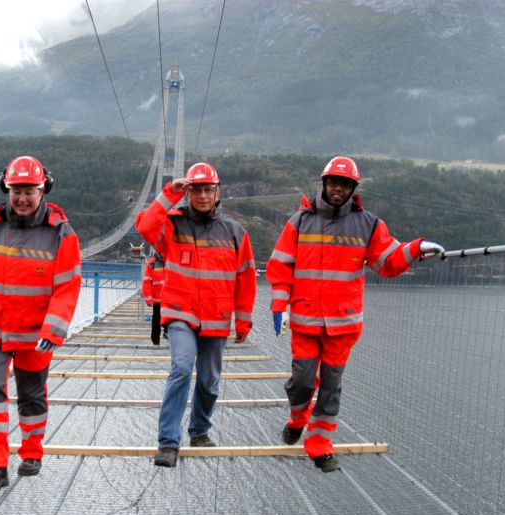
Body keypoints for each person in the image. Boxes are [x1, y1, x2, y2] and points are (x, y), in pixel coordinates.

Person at [266, 156, 444, 473]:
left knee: (331, 387)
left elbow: (388, 261)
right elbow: (281, 265)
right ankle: (297, 418)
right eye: (334, 182)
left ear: (353, 188)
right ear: (324, 183)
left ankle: (319, 446)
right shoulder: (300, 221)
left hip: (343, 324)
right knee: (303, 382)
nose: (338, 188)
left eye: (345, 184)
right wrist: (279, 304)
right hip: (306, 320)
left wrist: (416, 248)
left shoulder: (368, 225)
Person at [0, 155, 82, 491]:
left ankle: (32, 453)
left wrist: (53, 329)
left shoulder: (61, 235)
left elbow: (67, 285)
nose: (22, 198)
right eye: (16, 191)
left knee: (31, 393)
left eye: (30, 190)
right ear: (6, 188)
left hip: (35, 333)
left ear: (44, 190)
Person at [136, 162, 257, 467]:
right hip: (180, 313)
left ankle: (199, 430)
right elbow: (145, 226)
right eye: (196, 190)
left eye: (208, 190)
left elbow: (245, 278)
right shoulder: (173, 226)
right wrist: (168, 194)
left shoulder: (235, 233)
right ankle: (168, 441)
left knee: (209, 380)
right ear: (188, 193)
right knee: (181, 367)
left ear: (217, 193)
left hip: (216, 318)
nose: (202, 196)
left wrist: (243, 320)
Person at [142, 251, 165, 345]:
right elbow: (147, 281)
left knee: (171, 319)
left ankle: (167, 335)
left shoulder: (172, 261)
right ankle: (155, 341)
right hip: (157, 299)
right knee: (157, 319)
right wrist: (148, 299)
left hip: (170, 298)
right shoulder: (152, 263)